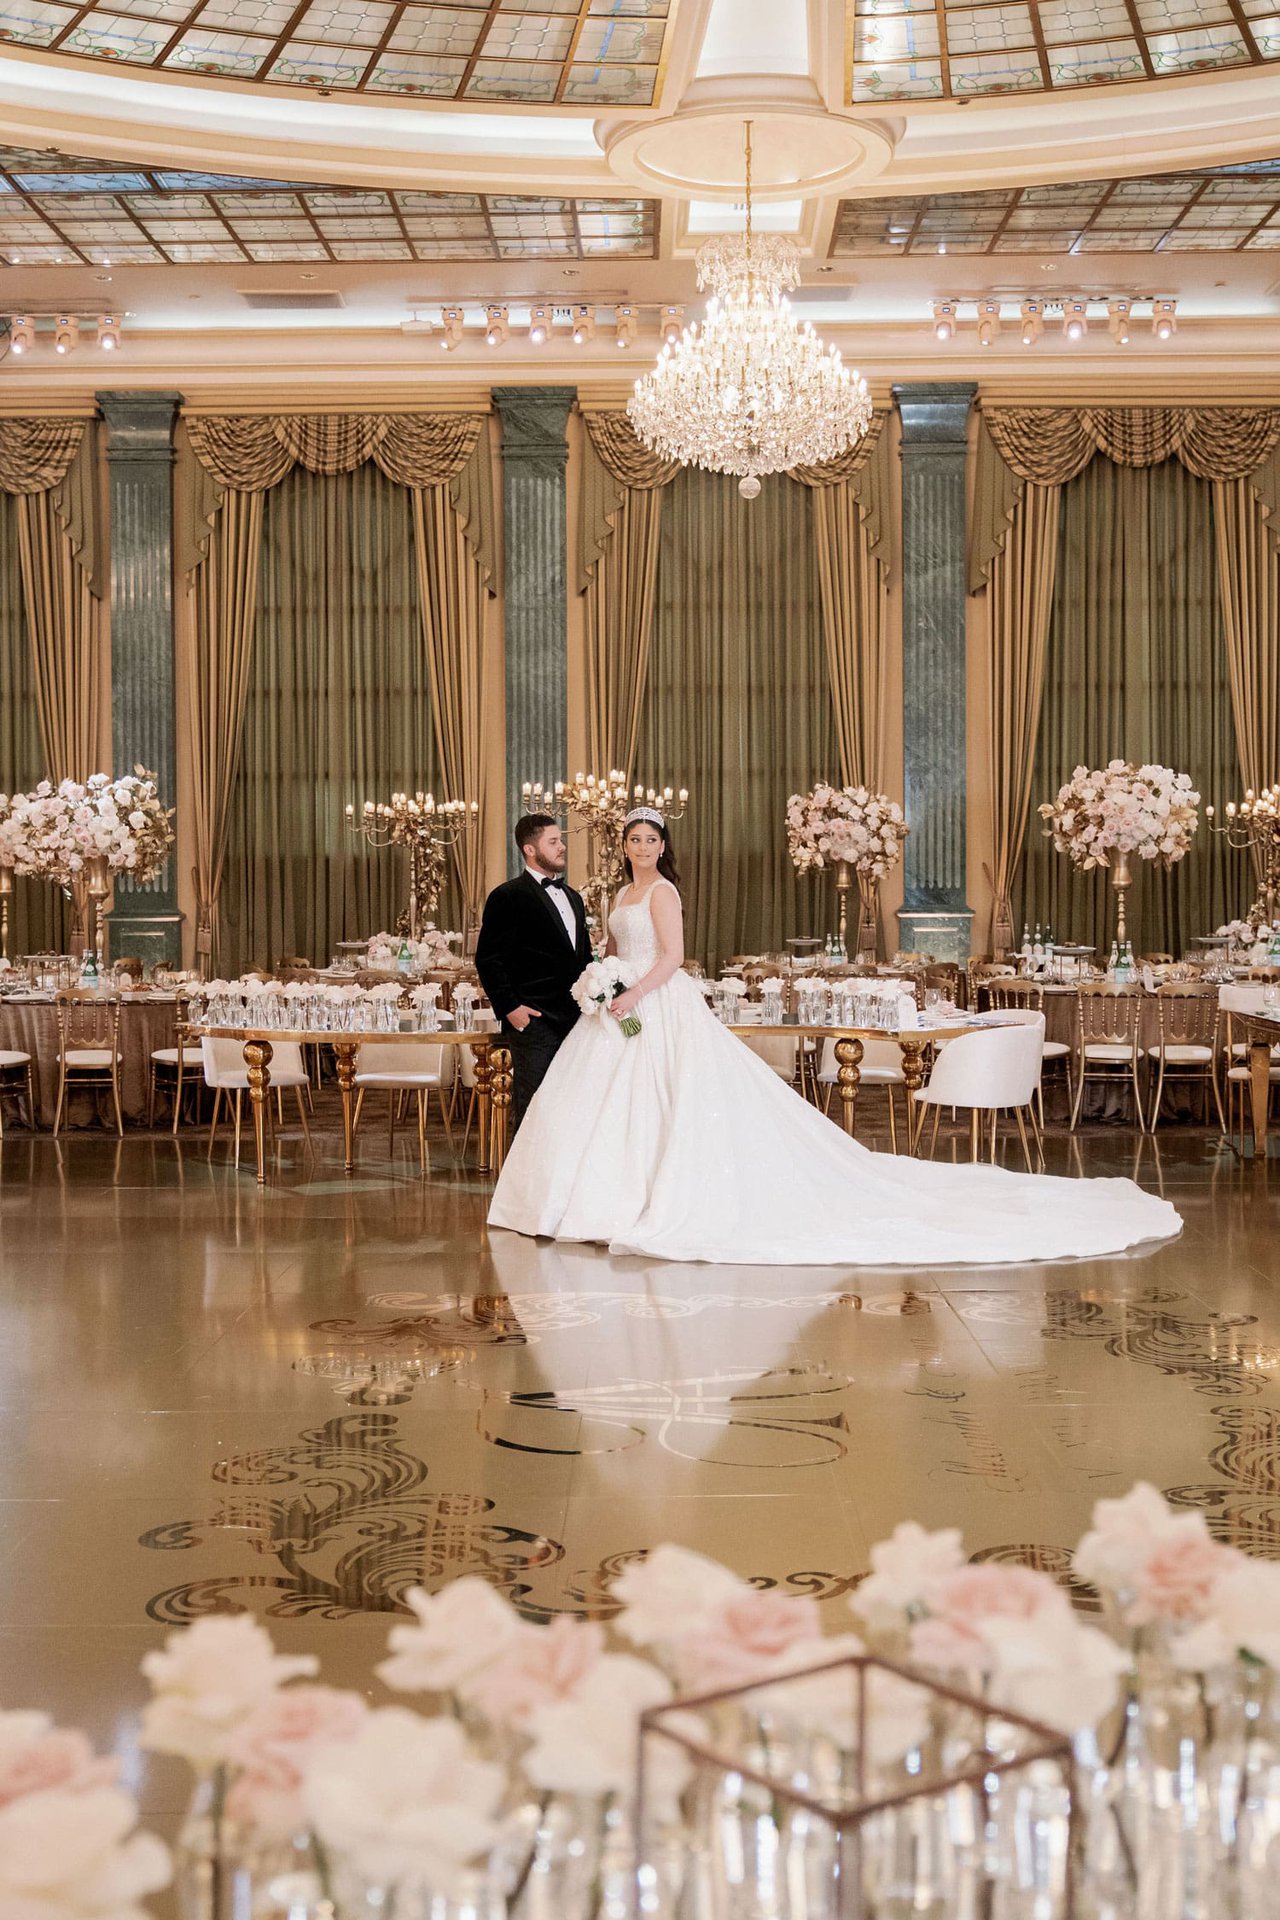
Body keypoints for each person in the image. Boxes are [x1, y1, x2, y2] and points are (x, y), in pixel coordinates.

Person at [487, 807, 1182, 1267]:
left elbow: (670, 959)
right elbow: (608, 947)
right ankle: (579, 1198)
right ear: (625, 847)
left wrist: (630, 991)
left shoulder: (663, 893)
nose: (641, 847)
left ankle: (650, 1198)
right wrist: (602, 981)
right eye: (633, 839)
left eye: (650, 839)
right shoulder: (613, 896)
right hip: (614, 1013)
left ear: (663, 847)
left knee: (670, 1103)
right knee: (601, 1106)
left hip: (656, 1007)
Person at [475, 812, 592, 1131]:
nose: (562, 846)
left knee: (573, 1104)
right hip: (534, 1022)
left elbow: (584, 959)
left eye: (561, 840)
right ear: (530, 849)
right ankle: (526, 1181)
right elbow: (488, 959)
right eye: (553, 842)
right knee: (534, 1106)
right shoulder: (507, 896)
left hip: (576, 1022)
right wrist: (511, 1008)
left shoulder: (574, 898)